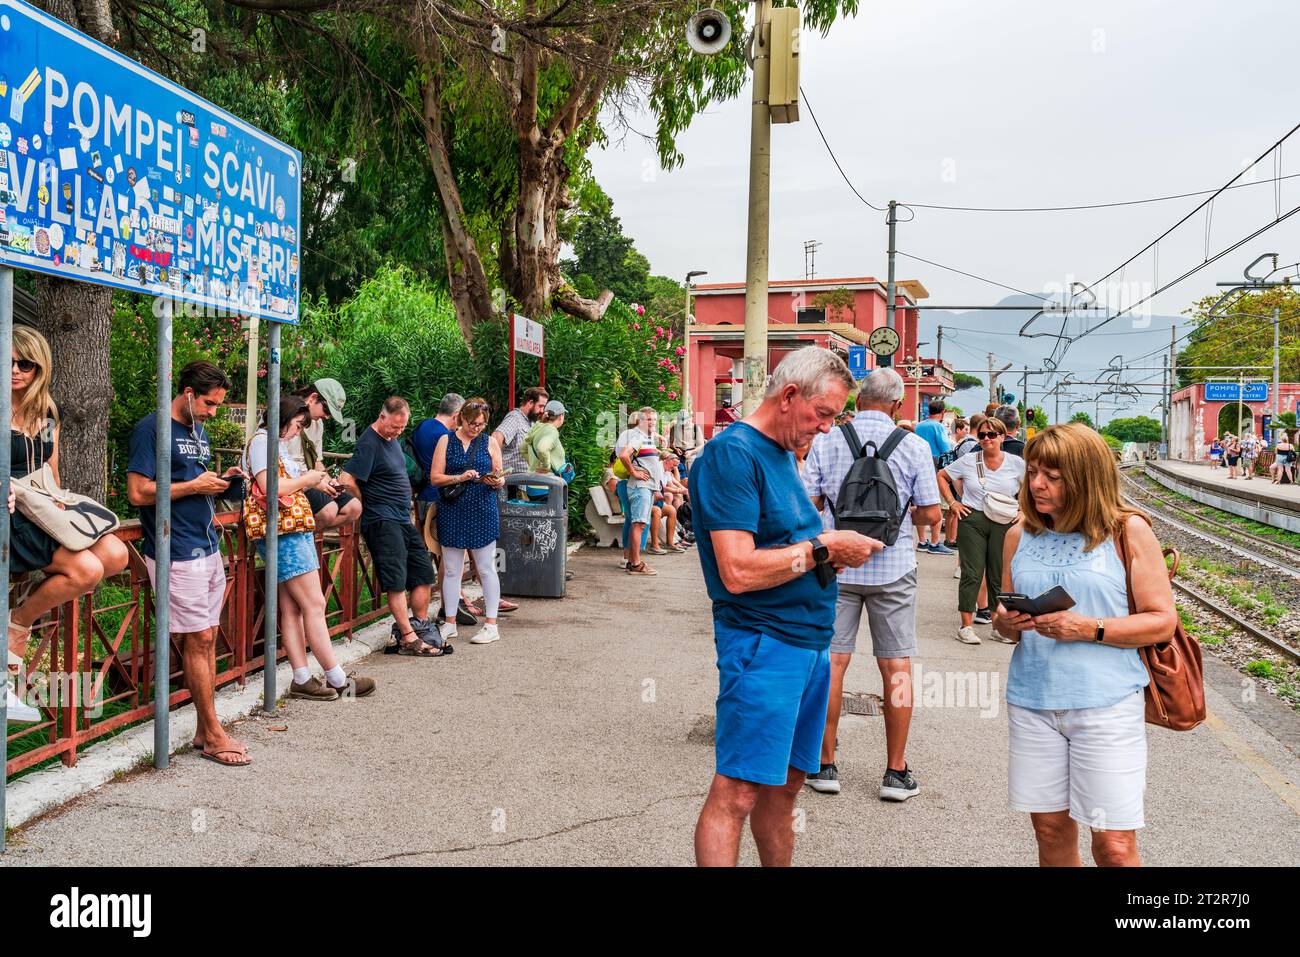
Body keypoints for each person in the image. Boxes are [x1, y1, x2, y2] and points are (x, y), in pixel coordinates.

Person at [691, 348, 884, 867]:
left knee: (787, 786)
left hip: (806, 645)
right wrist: (824, 550)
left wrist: (825, 553)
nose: (824, 430)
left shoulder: (780, 453)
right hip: (764, 644)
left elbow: (782, 544)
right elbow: (737, 569)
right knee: (736, 793)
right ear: (789, 396)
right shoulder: (733, 454)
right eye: (821, 415)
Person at [992, 424, 1177, 867]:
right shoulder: (1019, 535)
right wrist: (1008, 622)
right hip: (1034, 701)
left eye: (1053, 476)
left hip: (1106, 705)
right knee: (1050, 829)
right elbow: (1002, 623)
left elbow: (1161, 622)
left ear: (1086, 478)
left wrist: (1088, 628)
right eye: (1033, 472)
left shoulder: (1128, 532)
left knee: (1113, 845)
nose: (1037, 484)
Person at [802, 367, 941, 800]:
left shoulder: (827, 441)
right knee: (895, 667)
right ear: (897, 405)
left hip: (836, 567)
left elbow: (810, 503)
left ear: (857, 399)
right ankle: (895, 774)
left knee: (831, 663)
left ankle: (824, 766)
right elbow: (932, 515)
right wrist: (901, 518)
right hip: (893, 568)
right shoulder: (915, 446)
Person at [127, 361, 249, 765]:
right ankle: (214, 735)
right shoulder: (153, 428)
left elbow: (191, 482)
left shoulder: (200, 430)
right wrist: (195, 485)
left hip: (208, 544)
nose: (214, 412)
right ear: (186, 392)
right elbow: (139, 492)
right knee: (197, 639)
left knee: (208, 637)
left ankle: (202, 728)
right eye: (209, 404)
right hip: (175, 550)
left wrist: (218, 480)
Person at [7, 327, 129, 722]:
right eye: (7, 362)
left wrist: (65, 516)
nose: (14, 370)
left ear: (39, 367)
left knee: (116, 553)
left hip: (40, 503)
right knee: (87, 568)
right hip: (10, 510)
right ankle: (16, 629)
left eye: (24, 363)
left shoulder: (45, 413)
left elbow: (51, 473)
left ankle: (21, 619)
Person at [243, 397, 376, 700]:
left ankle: (302, 677)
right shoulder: (264, 442)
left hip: (286, 530)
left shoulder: (268, 442)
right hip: (286, 531)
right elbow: (270, 488)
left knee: (292, 608)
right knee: (314, 604)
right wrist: (308, 479)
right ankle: (338, 678)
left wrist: (314, 483)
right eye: (298, 425)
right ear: (286, 418)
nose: (297, 431)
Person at [337, 397, 444, 656]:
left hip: (401, 517)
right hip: (382, 520)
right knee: (395, 580)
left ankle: (419, 627)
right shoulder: (369, 442)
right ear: (382, 416)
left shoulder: (391, 439)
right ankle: (407, 637)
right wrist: (362, 504)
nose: (397, 432)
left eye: (401, 428)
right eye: (394, 427)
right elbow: (346, 478)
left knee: (423, 573)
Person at [938, 416, 1026, 644]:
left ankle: (998, 625)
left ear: (1002, 437)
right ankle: (966, 626)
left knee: (999, 573)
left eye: (992, 435)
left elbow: (1030, 488)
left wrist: (1024, 511)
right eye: (982, 435)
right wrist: (953, 503)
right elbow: (942, 475)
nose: (986, 439)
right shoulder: (969, 460)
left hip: (1005, 521)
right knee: (972, 572)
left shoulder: (1016, 463)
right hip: (973, 518)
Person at [429, 398, 506, 645]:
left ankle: (491, 625)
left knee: (485, 568)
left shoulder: (489, 442)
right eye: (473, 423)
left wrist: (498, 481)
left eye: (481, 424)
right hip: (453, 508)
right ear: (461, 417)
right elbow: (435, 478)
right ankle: (449, 622)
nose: (476, 428)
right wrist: (459, 477)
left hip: (483, 507)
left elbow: (500, 474)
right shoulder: (445, 440)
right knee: (452, 569)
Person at [286, 379, 360, 531]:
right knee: (328, 511)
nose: (327, 417)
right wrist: (310, 482)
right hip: (290, 481)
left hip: (309, 479)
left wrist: (327, 480)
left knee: (354, 508)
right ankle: (299, 539)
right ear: (313, 398)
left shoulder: (318, 424)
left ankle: (305, 535)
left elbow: (317, 461)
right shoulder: (286, 414)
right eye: (327, 411)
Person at [616, 407, 662, 576]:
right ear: (641, 421)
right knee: (639, 524)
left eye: (655, 419)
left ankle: (631, 561)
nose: (653, 422)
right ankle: (635, 564)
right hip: (640, 487)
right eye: (649, 419)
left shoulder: (644, 437)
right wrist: (634, 472)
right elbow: (624, 455)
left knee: (638, 523)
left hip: (646, 487)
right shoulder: (638, 436)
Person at [912, 399, 954, 556]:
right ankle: (935, 542)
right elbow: (945, 448)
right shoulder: (938, 426)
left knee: (919, 503)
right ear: (942, 412)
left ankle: (922, 541)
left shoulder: (919, 425)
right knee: (935, 503)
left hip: (918, 463)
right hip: (934, 465)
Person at [491, 386, 548, 477]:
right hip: (512, 482)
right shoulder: (515, 418)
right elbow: (496, 438)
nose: (542, 411)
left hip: (526, 483)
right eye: (540, 406)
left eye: (543, 407)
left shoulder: (531, 422)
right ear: (530, 403)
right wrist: (496, 470)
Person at [523, 399, 574, 498]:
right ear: (561, 416)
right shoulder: (551, 431)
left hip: (532, 485)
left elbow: (522, 448)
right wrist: (545, 467)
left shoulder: (537, 429)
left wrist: (534, 466)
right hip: (548, 487)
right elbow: (542, 448)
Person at [943, 417, 977, 549]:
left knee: (953, 512)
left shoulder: (961, 442)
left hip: (953, 478)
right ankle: (952, 539)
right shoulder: (969, 444)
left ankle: (949, 539)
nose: (966, 431)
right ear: (958, 430)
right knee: (955, 511)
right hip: (957, 480)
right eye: (965, 429)